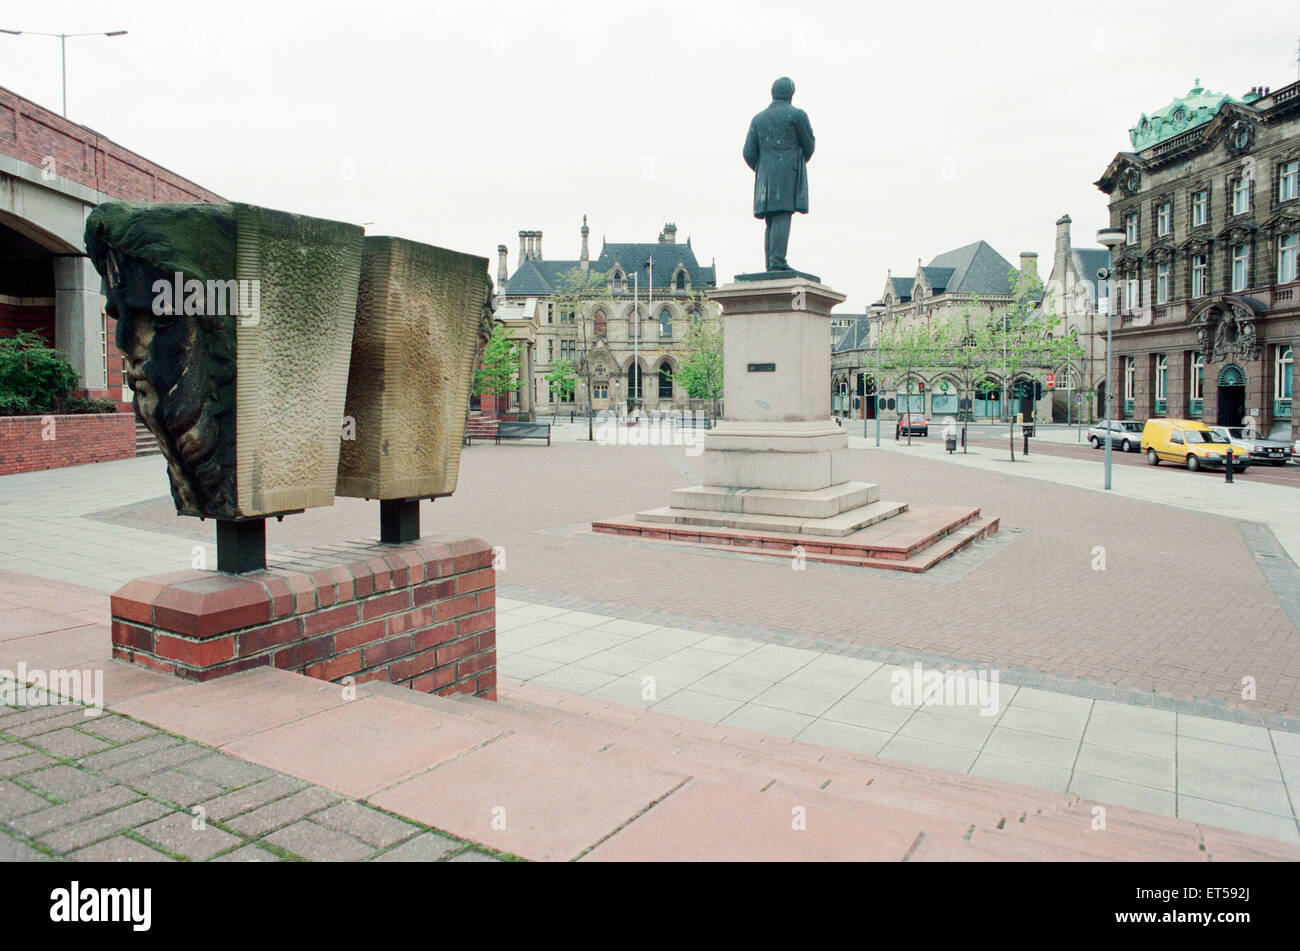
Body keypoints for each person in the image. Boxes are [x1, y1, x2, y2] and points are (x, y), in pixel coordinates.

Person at [743, 77, 815, 272]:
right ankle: (777, 261)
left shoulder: (758, 119)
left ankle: (772, 262)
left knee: (771, 220)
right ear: (791, 94)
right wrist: (789, 163)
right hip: (787, 174)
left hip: (765, 177)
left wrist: (763, 168)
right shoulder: (797, 115)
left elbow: (748, 153)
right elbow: (809, 145)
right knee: (782, 214)